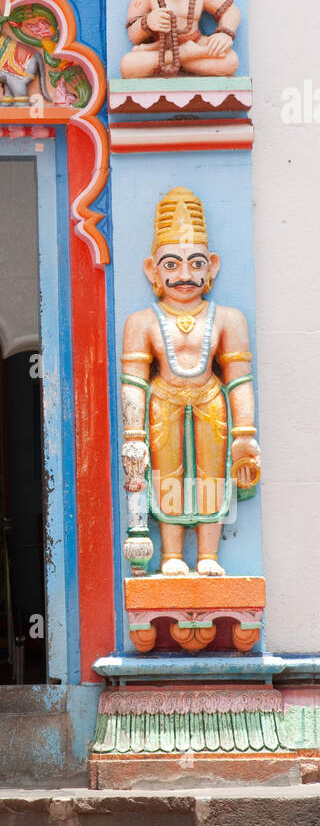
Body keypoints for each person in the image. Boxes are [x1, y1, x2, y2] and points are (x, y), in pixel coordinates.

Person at [120, 186, 260, 576]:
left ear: (211, 266)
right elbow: (132, 383)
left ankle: (209, 555)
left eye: (196, 264)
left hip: (211, 405)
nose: (185, 275)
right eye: (171, 265)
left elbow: (238, 378)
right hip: (162, 404)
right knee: (166, 476)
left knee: (212, 477)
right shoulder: (142, 322)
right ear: (152, 269)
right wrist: (134, 438)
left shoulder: (229, 320)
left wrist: (244, 433)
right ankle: (170, 556)